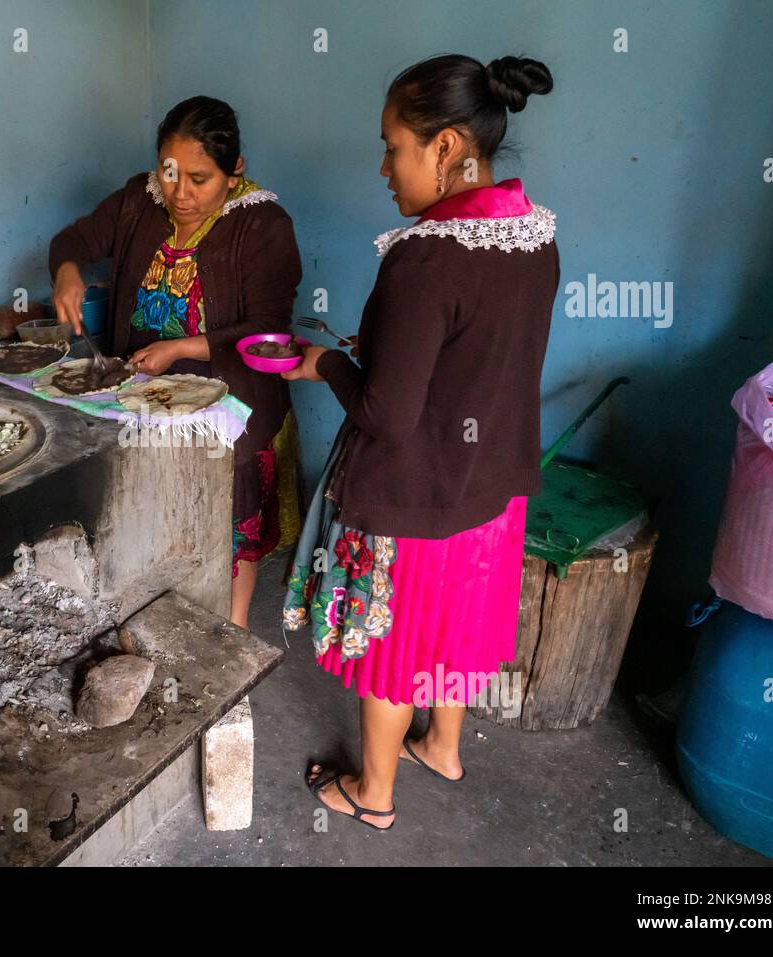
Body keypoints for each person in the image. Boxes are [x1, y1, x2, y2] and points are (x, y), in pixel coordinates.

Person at [284, 55, 559, 828]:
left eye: (392, 146)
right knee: (454, 626)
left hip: (415, 499)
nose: (382, 167)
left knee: (393, 649)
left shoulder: (425, 257)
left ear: (444, 148)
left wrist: (327, 363)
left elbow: (387, 412)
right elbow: (477, 364)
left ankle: (373, 795)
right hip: (492, 488)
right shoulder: (534, 237)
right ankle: (442, 744)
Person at [49, 96, 303, 628]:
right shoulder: (137, 201)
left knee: (228, 536)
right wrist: (68, 270)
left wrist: (181, 348)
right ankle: (163, 633)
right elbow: (73, 238)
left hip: (230, 413)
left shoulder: (262, 225)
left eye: (198, 178)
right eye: (168, 172)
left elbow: (269, 330)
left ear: (235, 171)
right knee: (156, 525)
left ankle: (229, 643)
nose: (179, 193)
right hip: (142, 405)